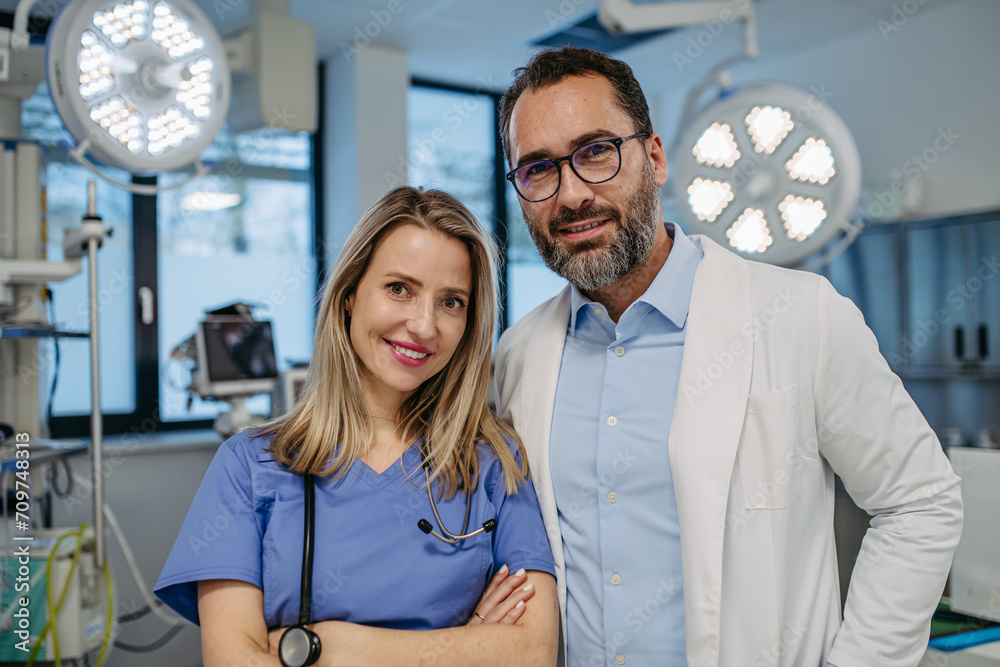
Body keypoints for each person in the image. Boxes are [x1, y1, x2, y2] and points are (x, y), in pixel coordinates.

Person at [493, 46, 963, 667]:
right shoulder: (518, 356)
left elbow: (919, 502)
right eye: (537, 169)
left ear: (654, 158)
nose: (571, 193)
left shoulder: (800, 316)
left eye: (595, 152)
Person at [155, 187, 559, 666]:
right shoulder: (251, 465)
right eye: (399, 289)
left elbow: (532, 651)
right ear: (349, 295)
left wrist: (332, 648)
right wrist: (466, 644)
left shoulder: (493, 462)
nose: (425, 326)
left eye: (451, 302)